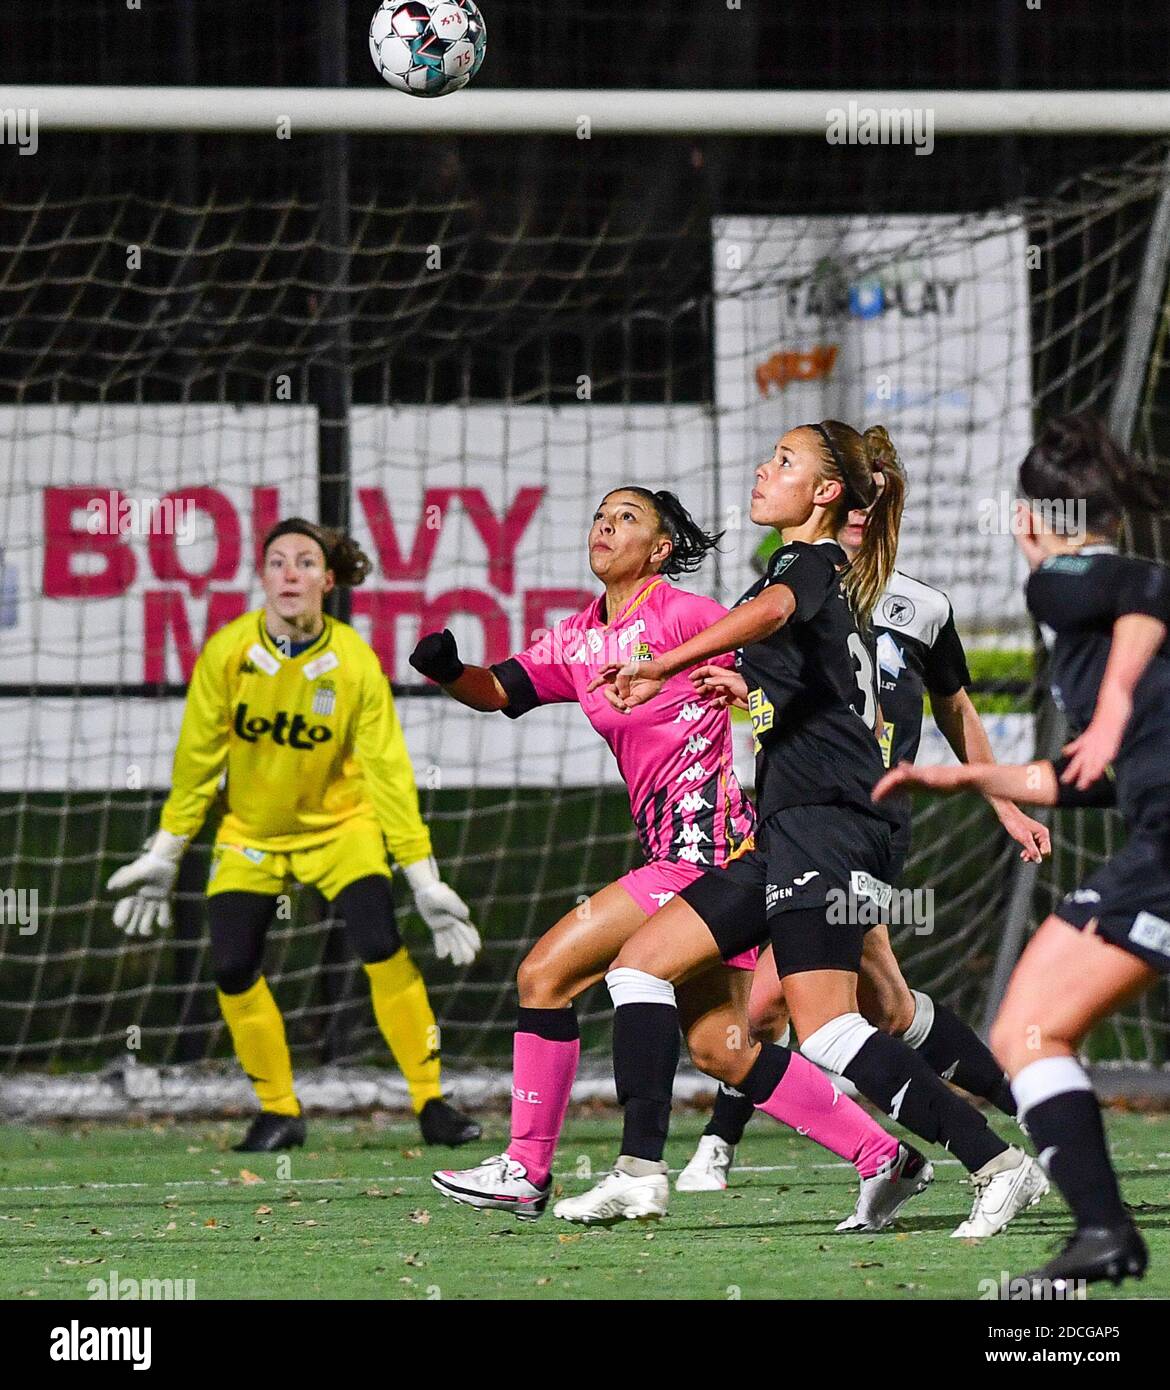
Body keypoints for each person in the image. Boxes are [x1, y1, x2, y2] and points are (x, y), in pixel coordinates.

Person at [556, 421, 1045, 1236]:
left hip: (833, 823)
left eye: (784, 461)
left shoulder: (806, 563)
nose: (763, 469)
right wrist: (733, 684)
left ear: (825, 494)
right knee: (640, 969)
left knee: (834, 1027)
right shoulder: (804, 577)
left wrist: (664, 663)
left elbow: (782, 613)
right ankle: (640, 1173)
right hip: (789, 827)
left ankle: (998, 1162)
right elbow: (798, 678)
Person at [415, 486, 927, 1226]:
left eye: (625, 519)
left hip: (709, 848)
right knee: (724, 1048)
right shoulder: (578, 638)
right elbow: (498, 690)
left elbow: (777, 664)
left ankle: (528, 1169)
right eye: (598, 516)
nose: (604, 527)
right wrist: (447, 669)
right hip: (676, 849)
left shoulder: (683, 614)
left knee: (544, 973)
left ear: (659, 550)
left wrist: (763, 703)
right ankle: (884, 1154)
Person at [875, 413, 1170, 1288]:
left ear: (1027, 520)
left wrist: (1112, 706)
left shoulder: (1063, 590)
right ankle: (1102, 1237)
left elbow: (1155, 591)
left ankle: (1105, 1235)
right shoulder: (1097, 623)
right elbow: (1094, 778)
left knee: (1028, 1028)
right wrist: (972, 781)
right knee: (1031, 1029)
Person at [106, 517, 482, 1152]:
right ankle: (280, 1111)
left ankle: (432, 1102)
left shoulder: (354, 662)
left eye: (305, 563)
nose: (290, 574)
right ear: (262, 577)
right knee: (230, 965)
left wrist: (424, 877)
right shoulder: (227, 654)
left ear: (327, 581)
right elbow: (197, 763)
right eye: (278, 562)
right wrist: (166, 853)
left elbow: (388, 774)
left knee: (380, 944)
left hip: (343, 829)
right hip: (251, 833)